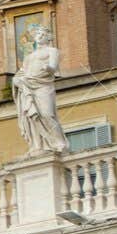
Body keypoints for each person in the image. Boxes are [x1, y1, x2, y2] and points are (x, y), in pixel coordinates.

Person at [13, 25, 68, 155]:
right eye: (38, 34)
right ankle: (38, 145)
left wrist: (47, 67)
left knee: (47, 114)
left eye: (43, 34)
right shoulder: (29, 56)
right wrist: (16, 80)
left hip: (44, 85)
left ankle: (60, 143)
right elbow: (22, 72)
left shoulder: (52, 50)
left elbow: (53, 67)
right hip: (28, 85)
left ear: (49, 38)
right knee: (32, 116)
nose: (40, 36)